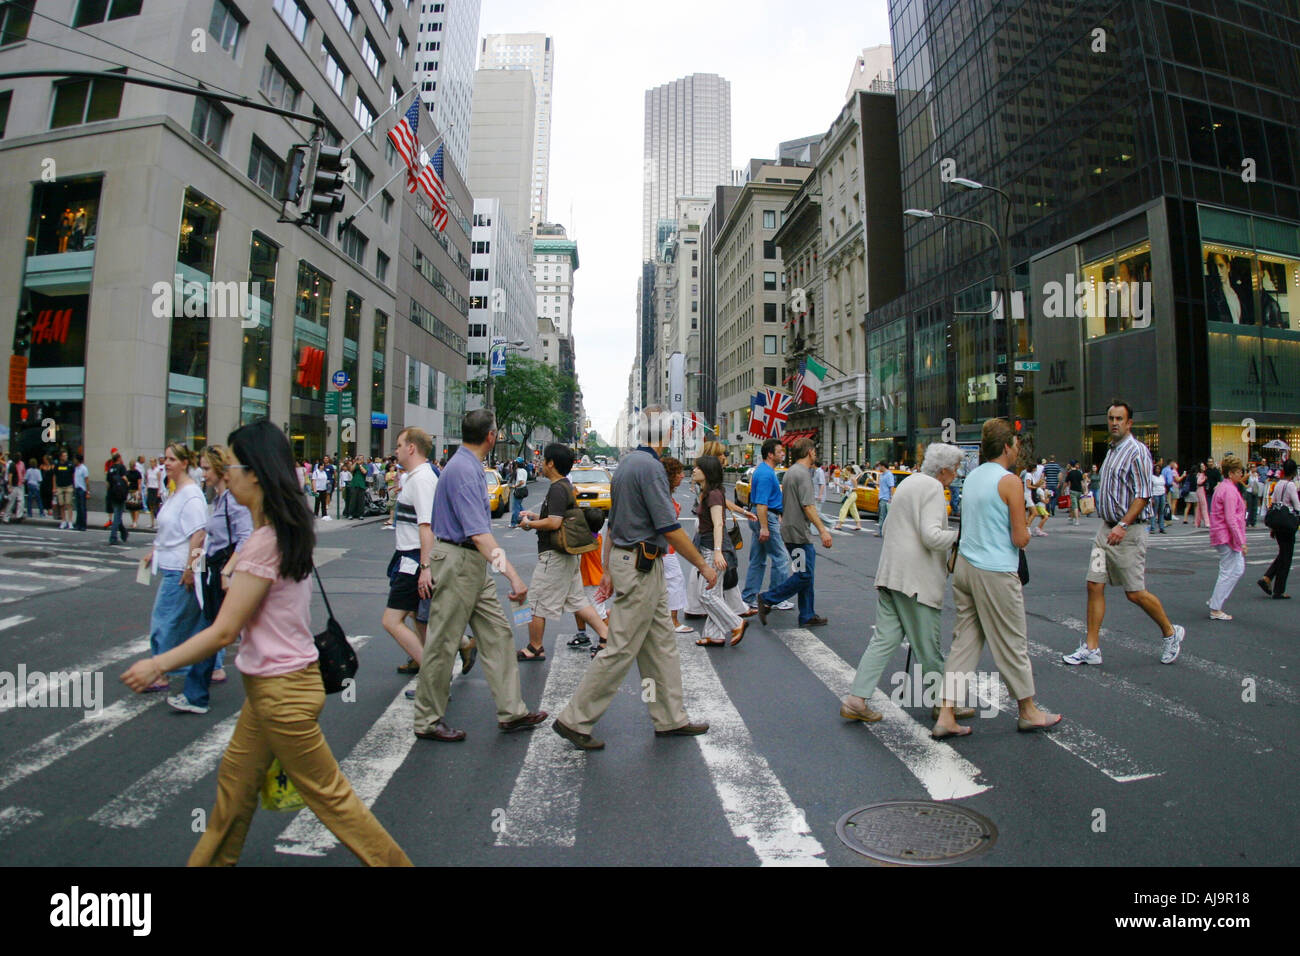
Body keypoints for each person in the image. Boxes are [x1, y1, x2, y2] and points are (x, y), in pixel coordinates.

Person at [121, 421, 411, 867]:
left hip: (283, 694)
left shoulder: (264, 543)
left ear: (254, 472)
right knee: (233, 796)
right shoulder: (282, 531)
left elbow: (222, 632)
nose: (224, 475)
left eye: (232, 465)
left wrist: (157, 664)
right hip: (270, 691)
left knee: (334, 802)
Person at [553, 407, 717, 751]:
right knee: (621, 647)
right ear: (665, 432)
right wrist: (702, 564)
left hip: (637, 563)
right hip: (641, 567)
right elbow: (669, 528)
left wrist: (609, 568)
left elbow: (614, 522)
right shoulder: (650, 468)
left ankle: (670, 718)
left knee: (660, 646)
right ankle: (575, 718)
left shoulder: (627, 463)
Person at [411, 411, 547, 742]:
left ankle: (512, 711)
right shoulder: (465, 471)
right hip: (459, 561)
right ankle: (428, 719)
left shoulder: (466, 466)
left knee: (498, 633)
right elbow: (480, 535)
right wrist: (514, 577)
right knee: (443, 642)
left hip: (470, 565)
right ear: (490, 436)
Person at [933, 420, 1061, 737]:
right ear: (1006, 447)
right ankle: (1028, 710)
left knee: (964, 641)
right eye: (1015, 444)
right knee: (1012, 641)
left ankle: (946, 713)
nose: (1018, 449)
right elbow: (1019, 538)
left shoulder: (973, 477)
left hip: (964, 567)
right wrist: (1027, 532)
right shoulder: (1010, 482)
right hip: (995, 570)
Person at [842, 443, 969, 723]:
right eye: (956, 468)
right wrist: (960, 535)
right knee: (929, 646)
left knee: (884, 639)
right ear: (944, 470)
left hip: (890, 574)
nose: (957, 474)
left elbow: (886, 527)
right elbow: (932, 537)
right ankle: (943, 705)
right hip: (916, 580)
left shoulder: (910, 483)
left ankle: (856, 698)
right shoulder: (934, 489)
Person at [1064, 401, 1185, 667]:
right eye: (1111, 418)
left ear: (1130, 423)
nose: (1114, 422)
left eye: (1120, 418)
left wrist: (1123, 524)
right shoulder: (1111, 450)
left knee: (1135, 592)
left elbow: (1143, 493)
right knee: (1094, 584)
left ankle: (1170, 632)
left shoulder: (1137, 451)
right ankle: (1091, 647)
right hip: (1105, 531)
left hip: (1128, 531)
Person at [168, 445, 255, 712]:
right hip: (213, 570)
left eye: (206, 468)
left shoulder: (232, 501)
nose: (202, 473)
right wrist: (195, 566)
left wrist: (227, 573)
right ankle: (198, 691)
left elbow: (246, 538)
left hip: (222, 572)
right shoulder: (219, 500)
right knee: (219, 632)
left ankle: (196, 695)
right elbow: (206, 538)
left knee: (216, 633)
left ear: (220, 470)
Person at [516, 442, 610, 660]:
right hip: (565, 556)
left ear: (551, 463)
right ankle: (605, 636)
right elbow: (557, 519)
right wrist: (535, 518)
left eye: (543, 460)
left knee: (537, 601)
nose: (539, 464)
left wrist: (529, 525)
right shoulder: (564, 485)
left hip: (554, 557)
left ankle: (535, 647)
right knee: (578, 601)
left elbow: (555, 522)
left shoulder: (558, 488)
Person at [138, 443, 209, 694]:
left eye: (172, 459)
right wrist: (155, 552)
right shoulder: (175, 491)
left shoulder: (190, 495)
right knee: (186, 621)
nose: (166, 463)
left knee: (164, 622)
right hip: (171, 564)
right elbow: (172, 532)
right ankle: (214, 665)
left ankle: (160, 672)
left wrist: (191, 569)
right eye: (165, 459)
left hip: (180, 569)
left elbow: (198, 535)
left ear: (185, 463)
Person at [757, 437, 834, 628]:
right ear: (809, 453)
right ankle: (768, 598)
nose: (815, 454)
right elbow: (808, 506)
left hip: (791, 529)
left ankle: (807, 615)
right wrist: (823, 530)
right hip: (799, 533)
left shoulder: (792, 472)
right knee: (804, 575)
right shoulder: (803, 474)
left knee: (805, 573)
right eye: (814, 451)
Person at [382, 429, 438, 674]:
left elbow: (427, 527)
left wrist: (425, 567)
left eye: (399, 445)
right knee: (419, 616)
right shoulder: (414, 477)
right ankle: (461, 647)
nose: (396, 451)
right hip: (409, 556)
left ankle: (433, 677)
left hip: (414, 558)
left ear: (412, 448)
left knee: (391, 621)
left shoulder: (422, 479)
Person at [690, 455, 747, 648]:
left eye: (698, 468)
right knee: (711, 593)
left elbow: (719, 523)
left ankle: (736, 623)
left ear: (707, 472)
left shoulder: (713, 494)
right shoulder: (710, 492)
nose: (694, 470)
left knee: (707, 595)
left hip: (713, 549)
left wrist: (717, 551)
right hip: (709, 547)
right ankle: (714, 635)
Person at [742, 439, 793, 610]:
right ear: (770, 454)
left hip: (764, 516)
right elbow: (762, 503)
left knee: (758, 559)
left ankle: (749, 597)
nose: (783, 454)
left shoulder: (764, 471)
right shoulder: (765, 473)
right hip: (765, 517)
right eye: (780, 451)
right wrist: (765, 526)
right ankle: (775, 598)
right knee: (781, 558)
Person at [656, 456, 694, 636]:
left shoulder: (662, 494)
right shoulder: (662, 496)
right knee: (675, 581)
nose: (681, 476)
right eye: (678, 473)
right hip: (664, 549)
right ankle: (673, 620)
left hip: (663, 548)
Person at [1207, 455, 1248, 621]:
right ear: (1231, 473)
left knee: (1236, 569)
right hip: (1227, 535)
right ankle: (1215, 607)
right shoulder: (1230, 490)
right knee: (1230, 570)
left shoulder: (1224, 487)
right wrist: (1241, 542)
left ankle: (1216, 600)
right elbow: (1231, 519)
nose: (1241, 474)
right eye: (1239, 472)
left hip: (1223, 534)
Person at [566, 508, 610, 653]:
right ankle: (582, 634)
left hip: (593, 581)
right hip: (584, 579)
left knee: (599, 612)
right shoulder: (596, 536)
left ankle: (608, 639)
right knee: (577, 606)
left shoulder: (588, 540)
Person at [1259, 458, 1297, 600]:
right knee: (1286, 556)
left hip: (1278, 523)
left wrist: (1273, 527)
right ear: (1293, 472)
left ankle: (1268, 578)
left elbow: (1273, 502)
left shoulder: (1278, 484)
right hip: (1288, 523)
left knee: (1283, 553)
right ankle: (1278, 589)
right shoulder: (1291, 485)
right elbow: (1297, 505)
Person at [106, 452, 130, 545]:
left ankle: (124, 533)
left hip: (112, 493)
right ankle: (113, 537)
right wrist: (127, 485)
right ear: (119, 458)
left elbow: (108, 482)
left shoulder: (111, 468)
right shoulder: (121, 467)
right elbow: (124, 478)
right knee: (117, 515)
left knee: (117, 514)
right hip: (120, 494)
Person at [832, 464, 864, 532]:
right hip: (849, 495)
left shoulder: (853, 478)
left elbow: (856, 488)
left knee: (844, 508)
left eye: (846, 470)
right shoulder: (849, 477)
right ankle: (858, 524)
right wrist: (839, 485)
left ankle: (840, 524)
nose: (844, 472)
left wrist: (849, 488)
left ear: (849, 471)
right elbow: (845, 487)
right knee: (853, 510)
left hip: (852, 495)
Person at [875, 461, 895, 537]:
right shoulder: (882, 475)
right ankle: (882, 531)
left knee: (883, 516)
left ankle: (881, 532)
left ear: (883, 466)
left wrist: (891, 497)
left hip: (886, 498)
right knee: (882, 515)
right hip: (882, 497)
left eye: (879, 466)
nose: (879, 468)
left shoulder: (889, 475)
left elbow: (891, 486)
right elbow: (882, 485)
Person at [3, 454, 23, 522]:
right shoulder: (12, 465)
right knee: (11, 502)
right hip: (14, 485)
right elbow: (10, 476)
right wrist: (10, 486)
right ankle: (6, 517)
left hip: (18, 485)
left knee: (19, 501)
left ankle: (18, 515)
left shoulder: (18, 464)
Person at [1148, 461, 1167, 534]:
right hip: (1155, 494)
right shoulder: (1152, 477)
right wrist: (1151, 497)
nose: (1157, 470)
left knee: (1161, 511)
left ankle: (1161, 527)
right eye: (1156, 469)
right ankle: (1152, 527)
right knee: (1154, 512)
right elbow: (1151, 486)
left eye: (1159, 469)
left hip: (1162, 493)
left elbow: (1164, 485)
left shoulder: (1162, 476)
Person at [509, 457, 528, 527]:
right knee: (519, 506)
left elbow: (521, 482)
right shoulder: (524, 470)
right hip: (523, 490)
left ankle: (514, 523)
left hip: (519, 490)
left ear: (517, 464)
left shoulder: (519, 471)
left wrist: (515, 486)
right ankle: (527, 517)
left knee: (515, 508)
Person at [1065, 459, 1085, 526]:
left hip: (1073, 491)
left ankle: (1077, 520)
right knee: (1075, 505)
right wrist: (1084, 491)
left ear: (1070, 465)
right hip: (1079, 491)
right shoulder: (1079, 472)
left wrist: (1063, 490)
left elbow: (1066, 482)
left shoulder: (1070, 473)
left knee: (1075, 506)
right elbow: (1082, 482)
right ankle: (1072, 517)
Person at [72, 453, 89, 531]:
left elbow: (86, 480)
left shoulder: (83, 468)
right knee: (78, 508)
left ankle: (83, 525)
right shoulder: (76, 468)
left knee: (82, 508)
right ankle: (78, 524)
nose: (74, 461)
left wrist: (88, 491)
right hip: (77, 489)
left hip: (82, 489)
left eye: (75, 459)